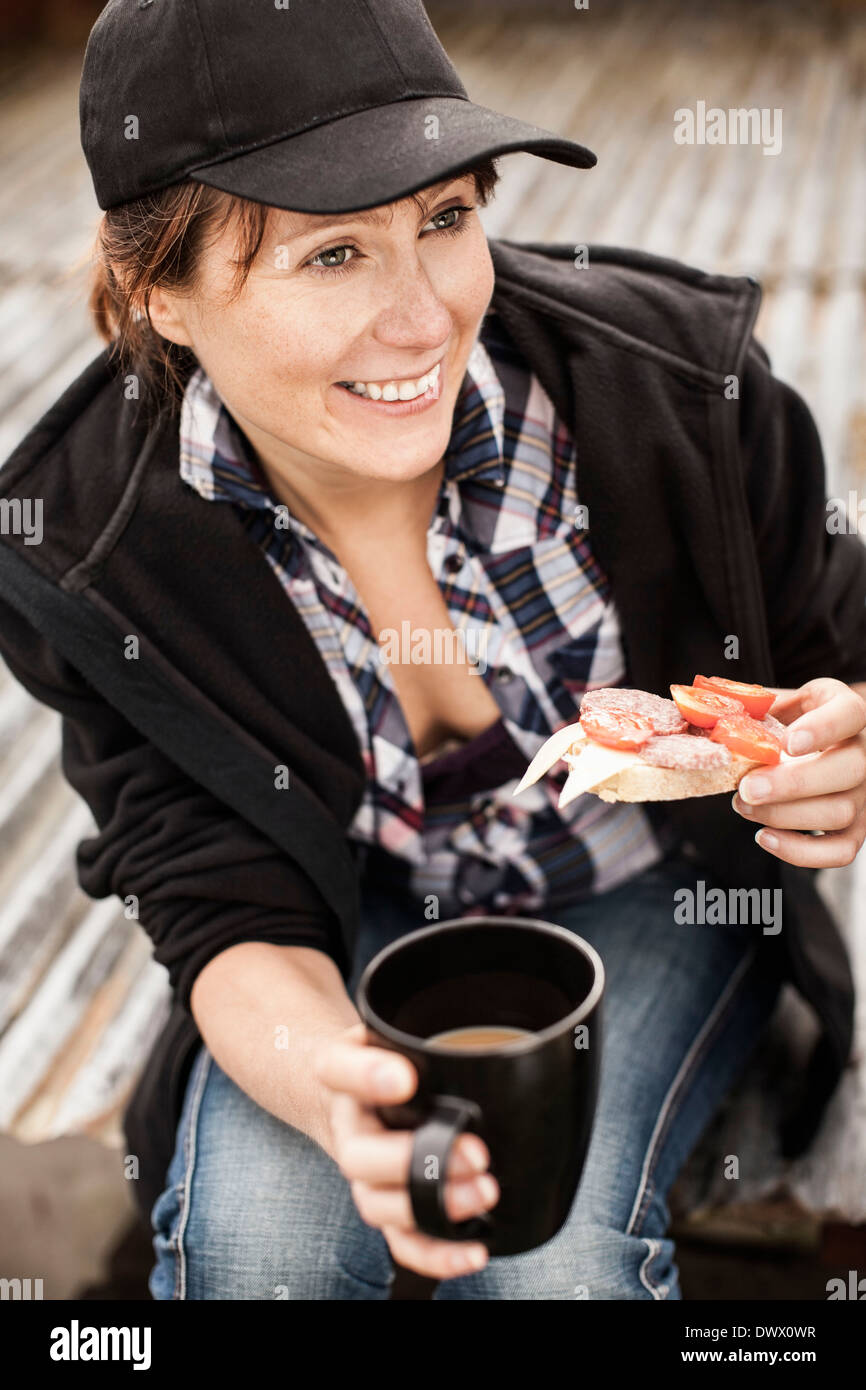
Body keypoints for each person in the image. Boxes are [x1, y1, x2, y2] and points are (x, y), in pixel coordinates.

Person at [1, 0, 865, 1300]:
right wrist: (329, 1085)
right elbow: (212, 897)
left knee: (557, 1262)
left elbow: (835, 640)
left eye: (446, 217)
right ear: (156, 296)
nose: (422, 319)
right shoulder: (89, 549)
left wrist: (840, 742)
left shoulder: (682, 392)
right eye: (333, 255)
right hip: (335, 923)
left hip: (647, 891)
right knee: (258, 1256)